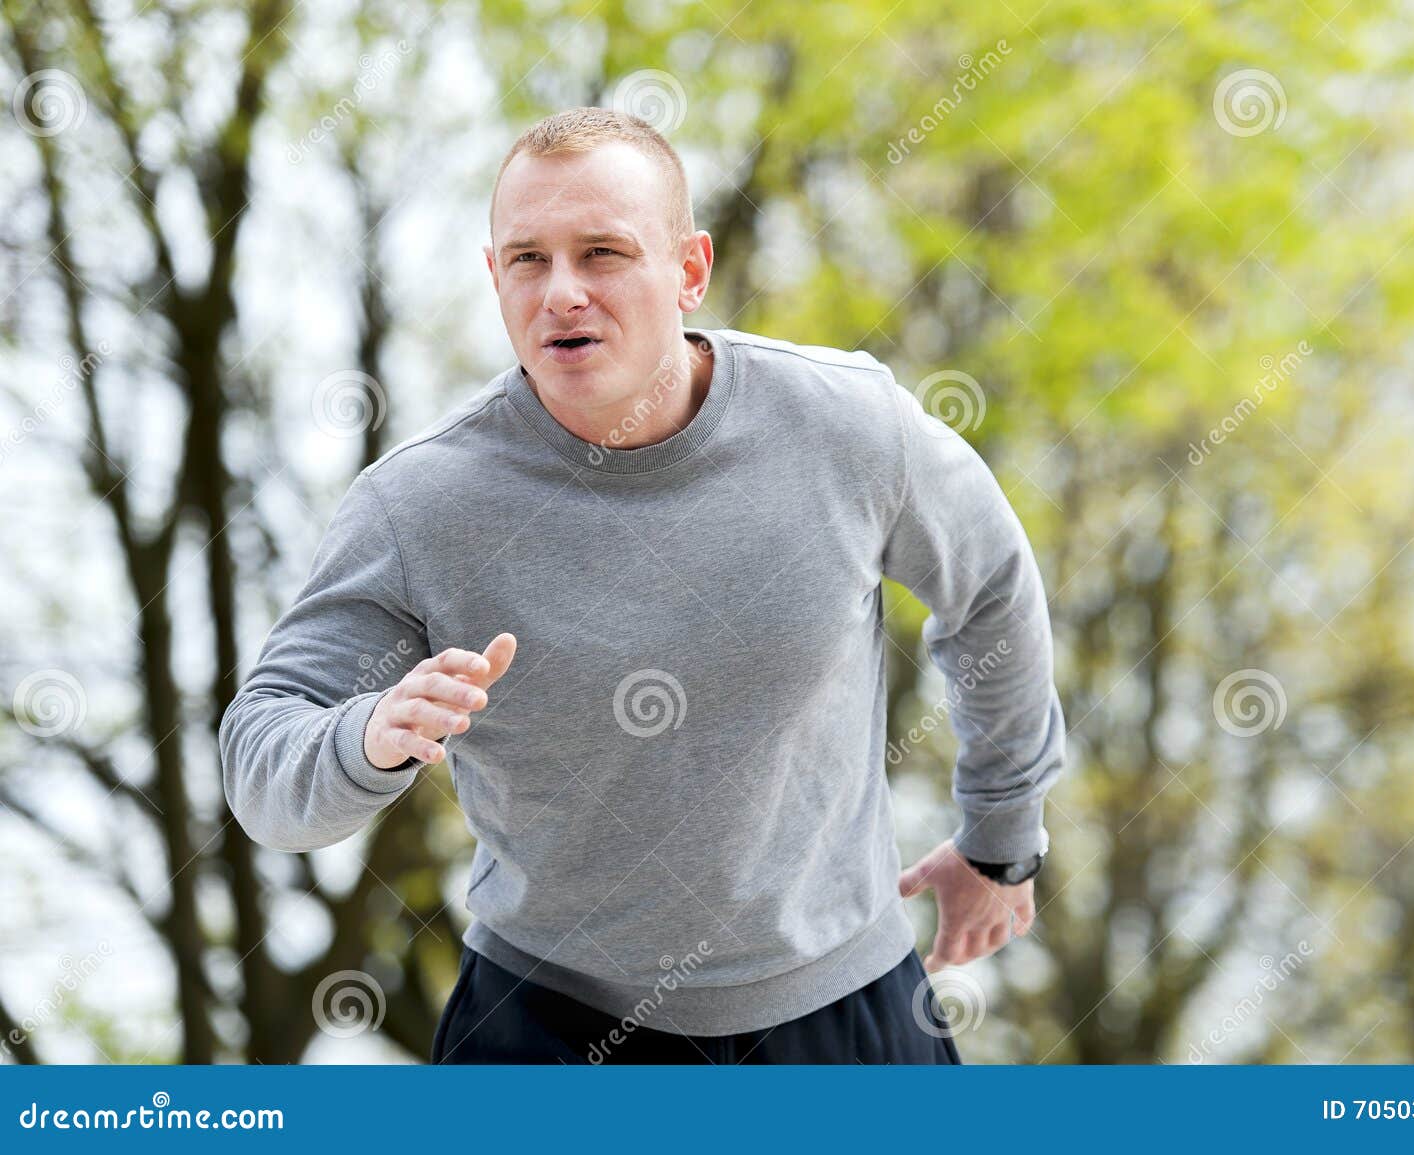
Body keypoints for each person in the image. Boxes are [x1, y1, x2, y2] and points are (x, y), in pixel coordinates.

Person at [219, 107, 1065, 1064]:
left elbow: (991, 587)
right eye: (528, 259)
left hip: (847, 1016)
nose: (563, 293)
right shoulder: (418, 506)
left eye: (603, 253)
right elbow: (262, 770)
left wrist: (1001, 835)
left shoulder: (848, 425)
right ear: (494, 276)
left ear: (690, 270)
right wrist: (367, 738)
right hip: (546, 1028)